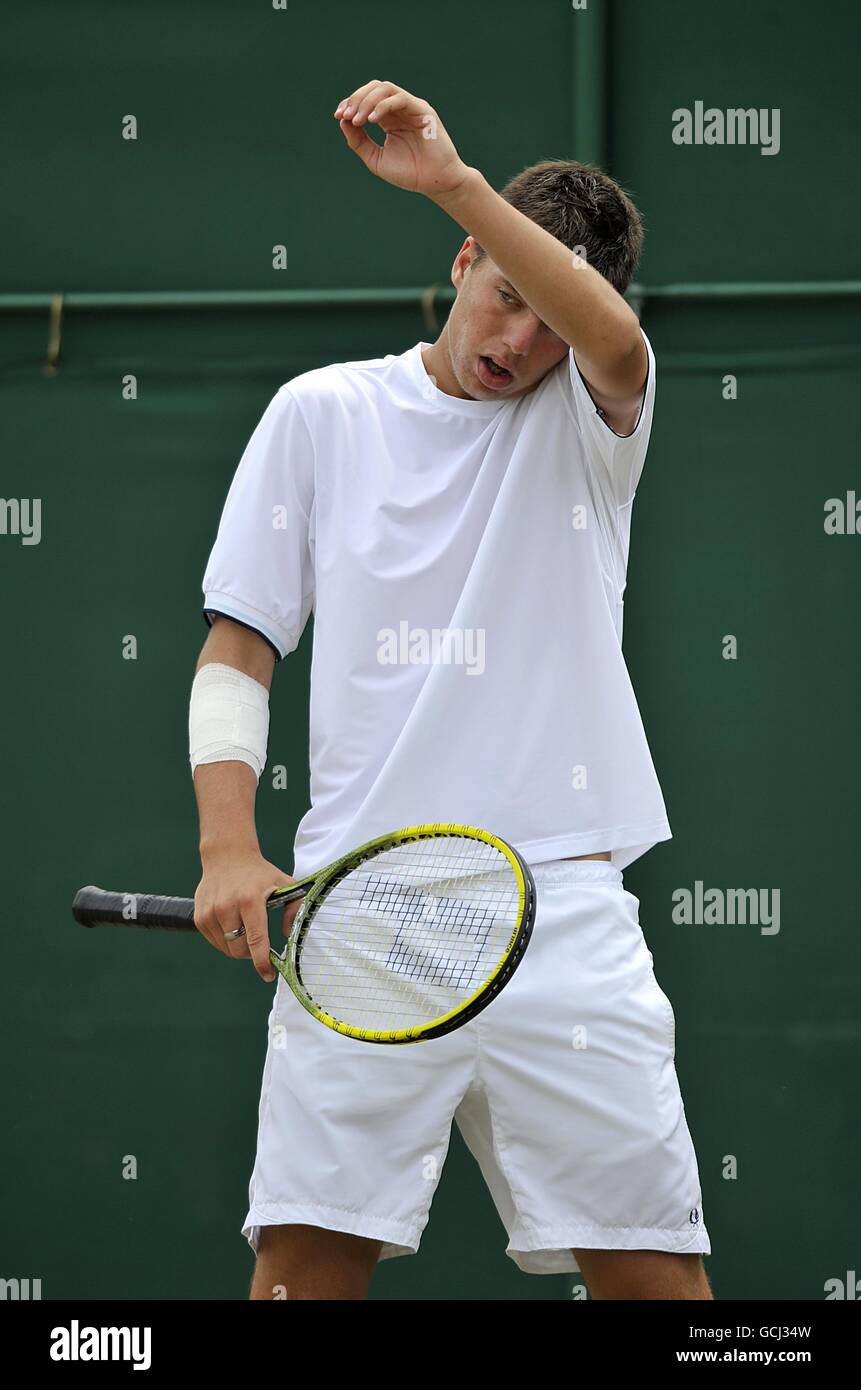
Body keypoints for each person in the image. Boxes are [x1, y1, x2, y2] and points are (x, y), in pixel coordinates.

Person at [189, 80, 712, 1300]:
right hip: (362, 913)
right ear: (465, 263)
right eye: (505, 296)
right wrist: (227, 843)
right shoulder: (319, 414)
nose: (520, 339)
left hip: (569, 912)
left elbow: (618, 345)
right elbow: (239, 644)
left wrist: (449, 178)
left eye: (552, 317)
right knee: (301, 1276)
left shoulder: (595, 414)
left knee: (664, 1293)